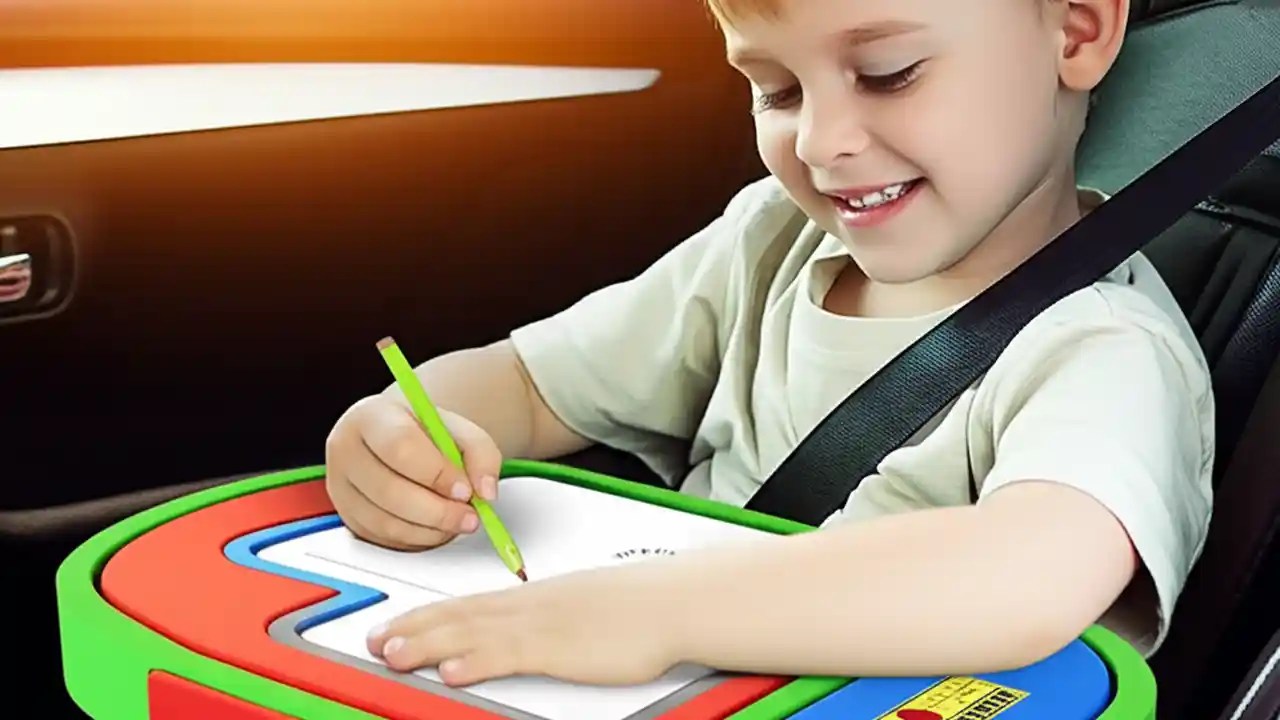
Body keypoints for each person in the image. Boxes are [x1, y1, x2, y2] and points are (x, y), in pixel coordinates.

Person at [325, 0, 1214, 688]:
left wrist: (662, 614)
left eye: (889, 73)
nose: (823, 143)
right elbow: (529, 383)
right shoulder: (770, 244)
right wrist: (414, 428)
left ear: (1077, 30)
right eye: (778, 91)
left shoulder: (1104, 349)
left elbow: (1030, 574)